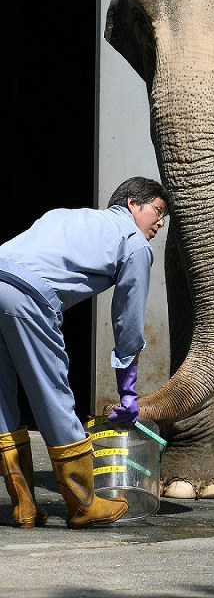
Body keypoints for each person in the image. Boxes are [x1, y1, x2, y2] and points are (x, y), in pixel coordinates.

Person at [0, 176, 172, 529]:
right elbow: (128, 323)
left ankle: (24, 506)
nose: (159, 222)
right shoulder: (134, 243)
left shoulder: (67, 216)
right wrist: (127, 390)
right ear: (131, 204)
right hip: (27, 297)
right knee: (53, 395)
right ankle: (84, 504)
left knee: (1, 400)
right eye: (157, 210)